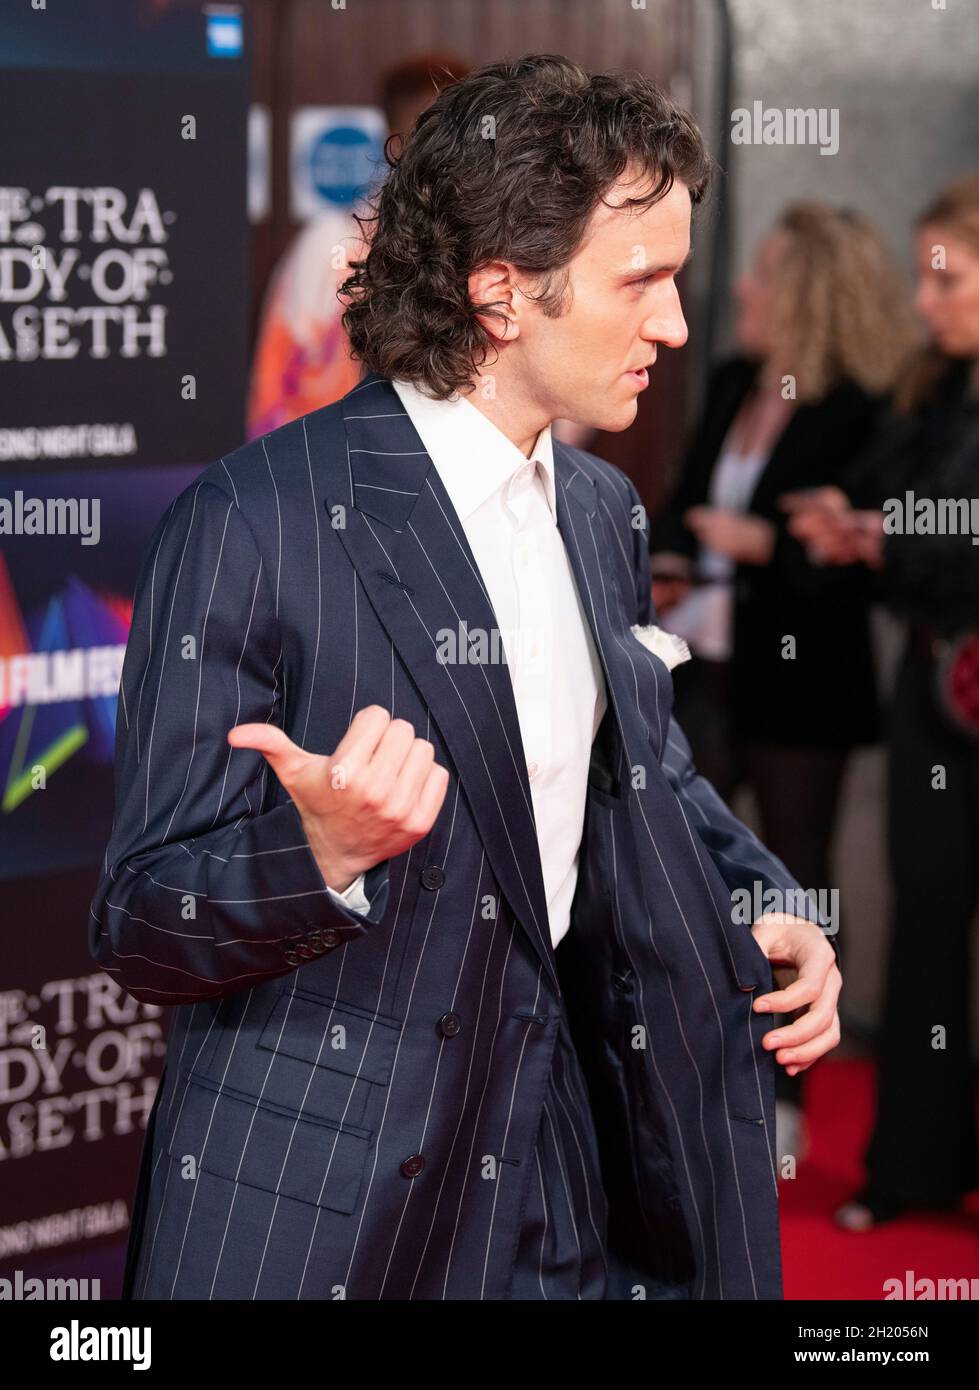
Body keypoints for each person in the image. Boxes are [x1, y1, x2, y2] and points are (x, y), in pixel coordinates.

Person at [89, 54, 841, 1302]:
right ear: (502, 292)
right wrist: (319, 851)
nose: (675, 324)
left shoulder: (600, 511)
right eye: (641, 280)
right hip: (329, 1207)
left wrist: (773, 904)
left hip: (563, 1167)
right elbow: (140, 921)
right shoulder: (254, 521)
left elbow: (647, 776)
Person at [648, 205, 916, 1163]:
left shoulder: (859, 408)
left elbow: (856, 567)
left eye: (764, 274)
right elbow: (681, 504)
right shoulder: (728, 382)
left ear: (804, 289)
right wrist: (679, 557)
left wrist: (760, 551)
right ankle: (691, 1078)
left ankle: (786, 1099)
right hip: (704, 668)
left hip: (803, 686)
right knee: (685, 872)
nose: (743, 292)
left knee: (794, 884)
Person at [788, 172, 979, 1229]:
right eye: (923, 278)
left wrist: (889, 535)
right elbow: (890, 505)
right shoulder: (922, 386)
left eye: (948, 278)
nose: (926, 301)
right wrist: (853, 526)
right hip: (929, 679)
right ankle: (909, 1167)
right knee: (923, 920)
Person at [246, 54, 471, 439]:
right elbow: (272, 384)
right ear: (395, 138)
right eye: (432, 130)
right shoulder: (333, 243)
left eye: (463, 131)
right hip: (323, 471)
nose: (452, 150)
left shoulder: (490, 247)